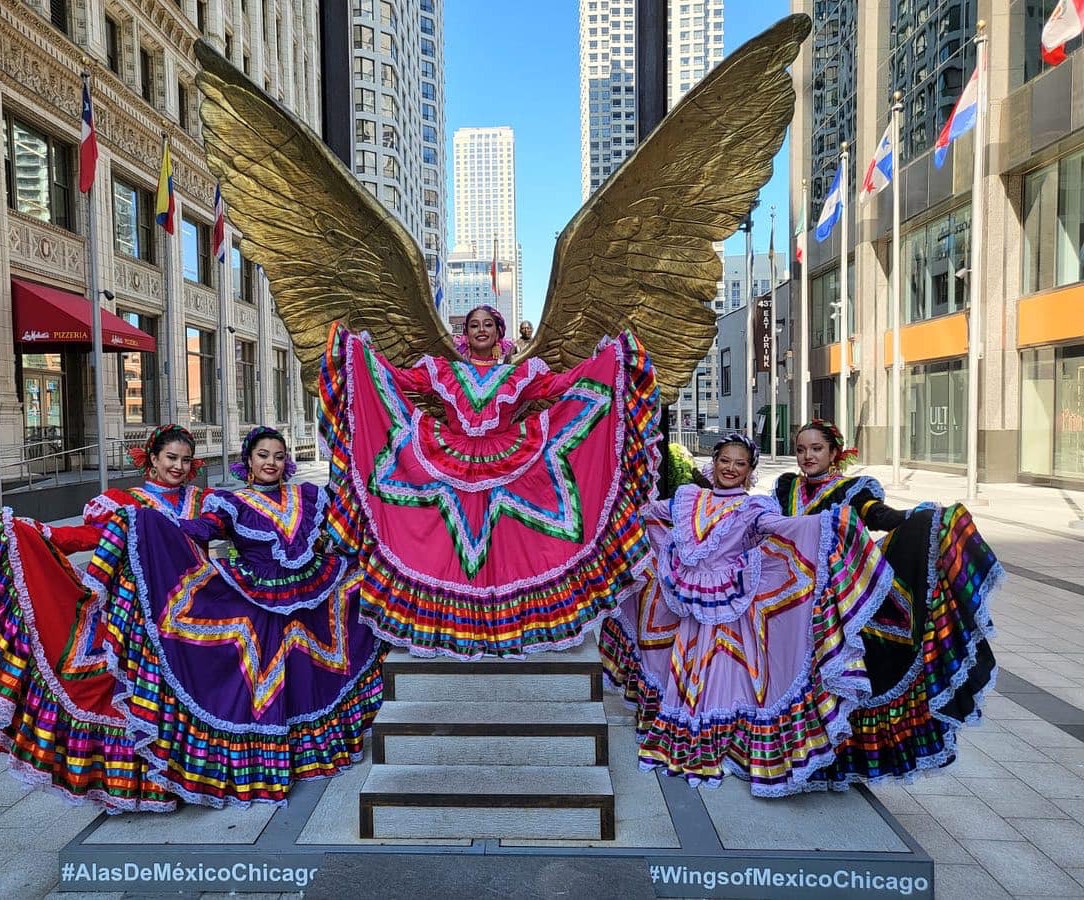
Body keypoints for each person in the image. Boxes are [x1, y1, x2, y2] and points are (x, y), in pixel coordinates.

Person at [319, 304, 661, 658]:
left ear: (500, 333)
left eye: (488, 325)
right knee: (451, 548)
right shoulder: (442, 371)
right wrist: (362, 355)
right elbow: (396, 379)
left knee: (506, 549)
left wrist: (606, 361)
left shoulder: (521, 374)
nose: (480, 330)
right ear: (464, 335)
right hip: (447, 463)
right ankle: (453, 627)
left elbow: (562, 385)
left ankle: (508, 626)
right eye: (473, 325)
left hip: (511, 465)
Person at [90, 426, 384, 807]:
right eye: (263, 455)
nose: (271, 463)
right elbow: (199, 530)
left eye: (278, 456)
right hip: (253, 600)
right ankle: (263, 768)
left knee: (307, 676)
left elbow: (342, 524)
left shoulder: (308, 496)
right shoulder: (231, 502)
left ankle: (306, 755)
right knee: (262, 686)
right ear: (248, 460)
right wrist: (148, 522)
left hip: (312, 596)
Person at [598, 434, 893, 796]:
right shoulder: (690, 498)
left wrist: (831, 525)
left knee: (725, 679)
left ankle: (721, 746)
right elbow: (647, 514)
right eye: (725, 460)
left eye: (740, 463)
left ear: (750, 471)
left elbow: (784, 529)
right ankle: (687, 738)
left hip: (732, 614)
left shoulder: (755, 508)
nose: (731, 468)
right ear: (714, 462)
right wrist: (610, 508)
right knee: (687, 670)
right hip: (690, 613)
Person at [0, 424, 209, 811]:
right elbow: (86, 539)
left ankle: (189, 775)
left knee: (192, 696)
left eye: (185, 460)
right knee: (131, 697)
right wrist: (38, 533)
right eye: (170, 458)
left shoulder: (203, 501)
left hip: (191, 615)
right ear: (152, 458)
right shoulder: (126, 502)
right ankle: (146, 785)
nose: (177, 466)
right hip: (138, 617)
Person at [773, 420, 1000, 787]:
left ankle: (836, 758)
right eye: (801, 449)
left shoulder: (852, 490)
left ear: (834, 453)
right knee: (797, 679)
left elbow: (880, 516)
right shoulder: (787, 489)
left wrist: (918, 518)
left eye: (816, 449)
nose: (807, 456)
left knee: (834, 678)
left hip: (837, 602)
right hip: (793, 597)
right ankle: (798, 751)